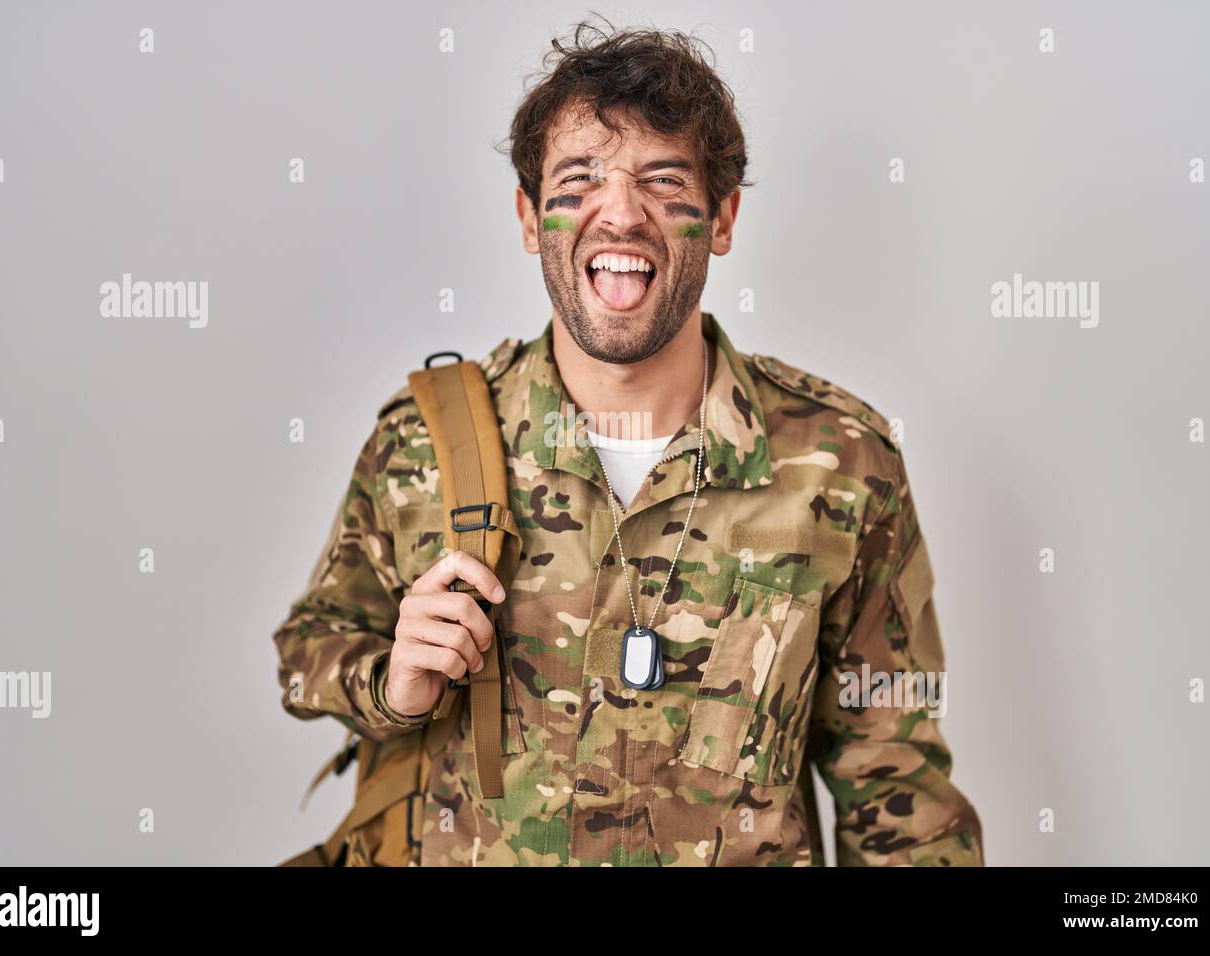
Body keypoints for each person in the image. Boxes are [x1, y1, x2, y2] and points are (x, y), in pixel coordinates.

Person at [273, 20, 983, 866]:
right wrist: (391, 681)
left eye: (663, 179)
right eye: (578, 180)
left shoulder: (842, 461)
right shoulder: (423, 441)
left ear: (721, 219)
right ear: (531, 219)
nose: (620, 212)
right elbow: (306, 652)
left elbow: (894, 780)